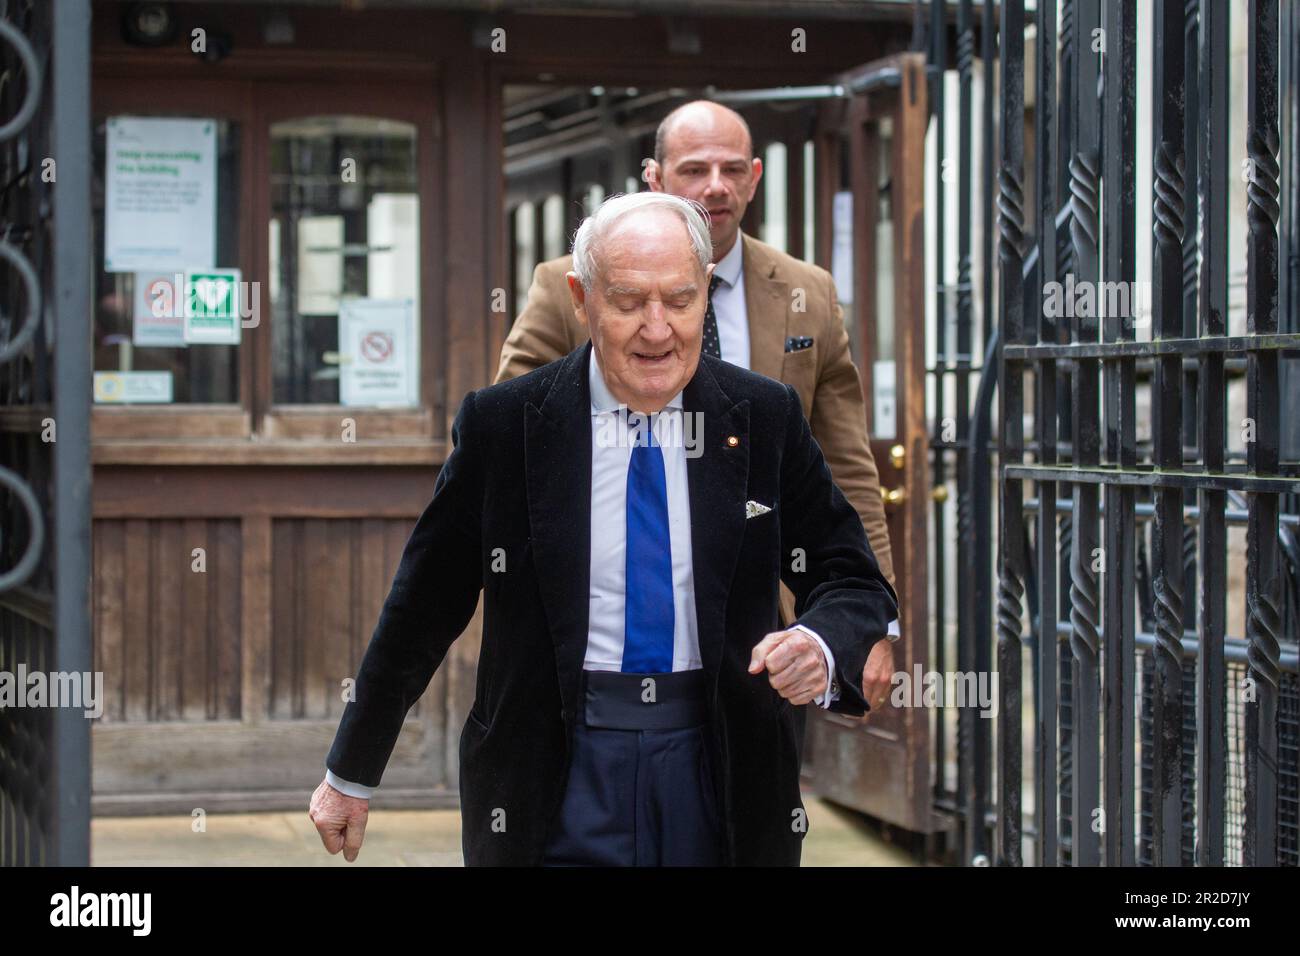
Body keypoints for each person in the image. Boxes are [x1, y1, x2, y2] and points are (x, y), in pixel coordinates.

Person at [310, 192, 898, 866]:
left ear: (706, 293)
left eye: (679, 300)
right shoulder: (506, 426)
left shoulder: (762, 418)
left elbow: (849, 574)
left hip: (720, 766)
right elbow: (423, 603)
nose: (658, 329)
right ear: (581, 297)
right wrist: (351, 772)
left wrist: (823, 642)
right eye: (627, 302)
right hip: (553, 768)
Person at [496, 100, 897, 632]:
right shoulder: (572, 283)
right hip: (613, 604)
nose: (716, 187)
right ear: (654, 178)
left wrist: (874, 618)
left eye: (732, 169)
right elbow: (509, 442)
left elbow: (845, 466)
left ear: (754, 179)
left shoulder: (809, 291)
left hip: (764, 614)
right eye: (694, 170)